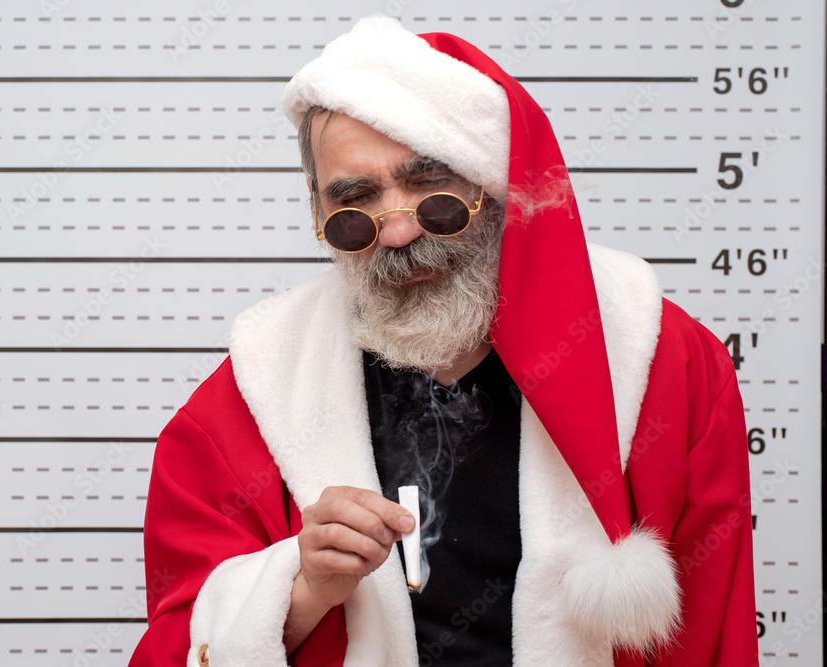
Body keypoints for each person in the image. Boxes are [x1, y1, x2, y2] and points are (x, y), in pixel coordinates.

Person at [129, 16, 758, 667]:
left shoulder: (667, 366)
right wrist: (302, 584)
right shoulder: (253, 397)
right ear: (319, 214)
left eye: (432, 189)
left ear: (490, 182)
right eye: (356, 204)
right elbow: (175, 643)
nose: (397, 233)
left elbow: (715, 631)